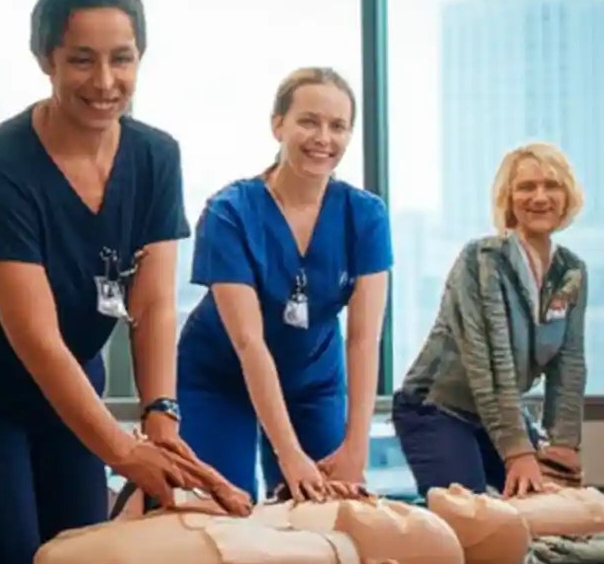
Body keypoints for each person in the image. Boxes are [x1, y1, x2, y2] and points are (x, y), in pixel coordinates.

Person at [0, 0, 250, 564]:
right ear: (45, 59)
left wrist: (161, 422)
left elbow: (152, 306)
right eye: (81, 60)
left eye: (122, 59)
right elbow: (33, 338)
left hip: (69, 391)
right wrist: (122, 453)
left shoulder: (156, 157)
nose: (105, 81)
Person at [176, 67, 393, 504]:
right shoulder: (229, 212)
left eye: (338, 126)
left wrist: (356, 446)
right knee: (225, 508)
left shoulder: (365, 215)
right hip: (222, 374)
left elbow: (365, 339)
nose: (323, 138)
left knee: (324, 507)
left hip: (314, 377)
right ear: (278, 125)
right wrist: (288, 452)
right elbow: (248, 342)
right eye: (308, 121)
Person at [393, 141, 587, 498]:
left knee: (548, 504)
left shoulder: (570, 271)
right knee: (472, 516)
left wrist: (563, 445)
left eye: (552, 185)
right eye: (526, 187)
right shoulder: (482, 260)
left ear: (567, 195)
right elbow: (490, 361)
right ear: (508, 199)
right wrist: (517, 451)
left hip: (495, 414)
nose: (540, 197)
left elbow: (569, 364)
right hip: (436, 408)